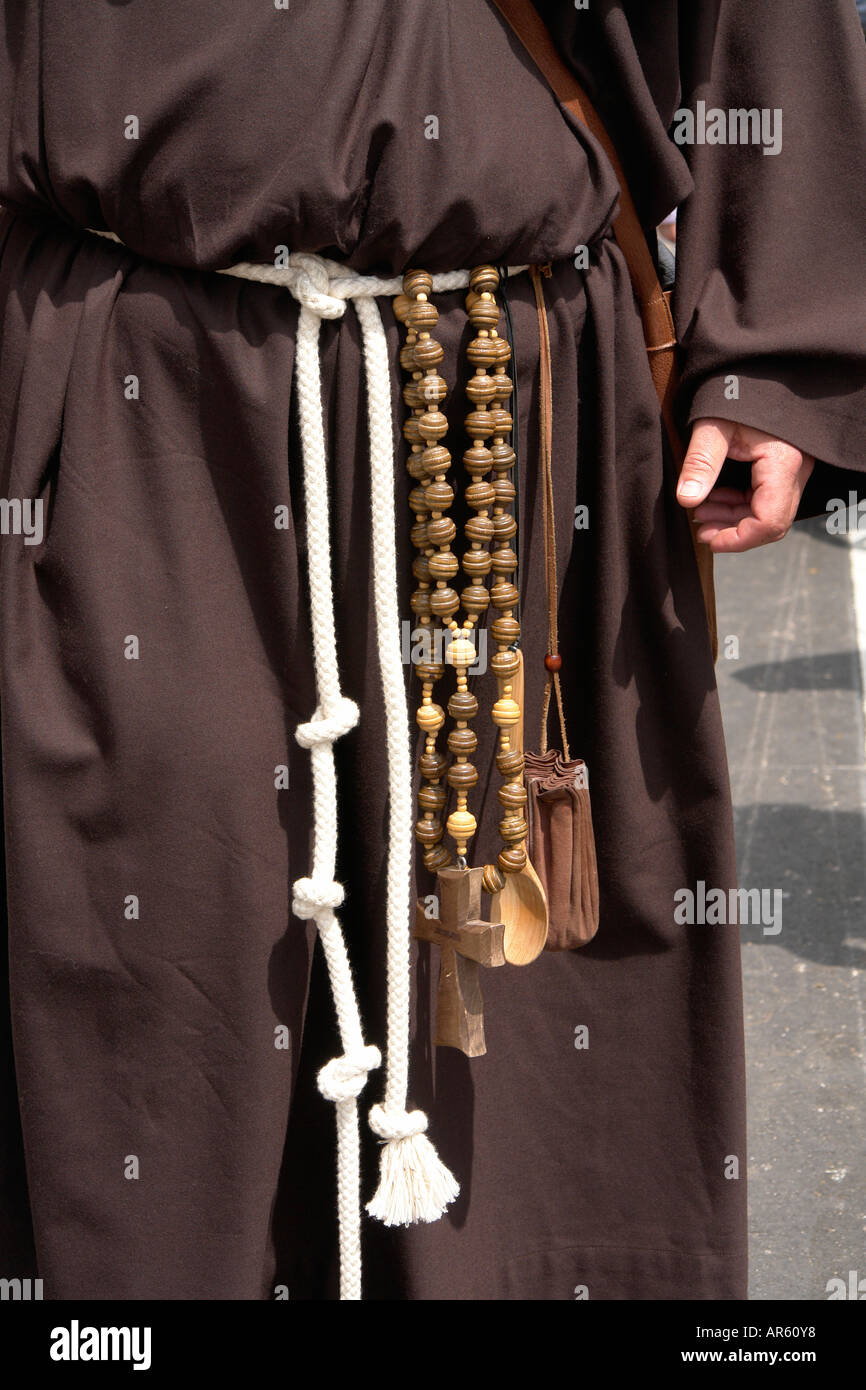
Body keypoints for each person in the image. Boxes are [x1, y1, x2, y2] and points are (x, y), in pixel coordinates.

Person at [0, 0, 864, 1301]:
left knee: (519, 1031)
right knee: (151, 986)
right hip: (137, 387)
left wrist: (774, 341)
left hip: (510, 401)